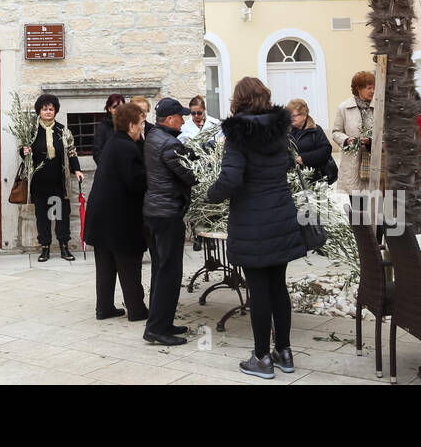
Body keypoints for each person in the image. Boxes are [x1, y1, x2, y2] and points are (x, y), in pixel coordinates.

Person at [207, 77, 305, 379]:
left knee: (259, 291)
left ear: (239, 101)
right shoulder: (279, 130)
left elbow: (231, 179)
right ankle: (284, 352)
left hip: (252, 220)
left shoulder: (238, 135)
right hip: (281, 216)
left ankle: (262, 357)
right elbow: (289, 165)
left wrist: (211, 194)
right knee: (278, 286)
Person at [83, 100, 149, 321]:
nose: (142, 127)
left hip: (101, 216)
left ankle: (104, 308)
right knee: (128, 264)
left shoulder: (114, 142)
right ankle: (137, 310)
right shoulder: (127, 147)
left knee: (105, 266)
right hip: (118, 219)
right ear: (130, 125)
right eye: (140, 123)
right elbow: (136, 183)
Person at [141, 97, 196, 346]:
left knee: (160, 270)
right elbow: (189, 176)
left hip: (153, 212)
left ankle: (162, 322)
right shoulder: (170, 144)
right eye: (181, 117)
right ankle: (156, 330)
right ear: (171, 119)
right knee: (169, 273)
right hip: (167, 213)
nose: (184, 120)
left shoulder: (152, 137)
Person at [27, 94, 83, 263]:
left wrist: (77, 170)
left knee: (60, 215)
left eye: (51, 109)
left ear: (56, 111)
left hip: (58, 183)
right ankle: (45, 248)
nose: (48, 112)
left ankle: (64, 247)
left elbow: (71, 151)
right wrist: (24, 152)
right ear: (39, 111)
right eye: (45, 109)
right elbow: (24, 152)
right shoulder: (32, 131)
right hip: (39, 183)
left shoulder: (63, 131)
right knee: (42, 216)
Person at [332, 71, 375, 192]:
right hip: (352, 162)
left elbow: (385, 133)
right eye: (369, 88)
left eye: (373, 88)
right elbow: (336, 132)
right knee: (357, 205)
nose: (372, 91)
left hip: (374, 163)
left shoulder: (379, 107)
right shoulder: (344, 107)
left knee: (375, 205)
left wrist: (371, 141)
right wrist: (346, 140)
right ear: (358, 89)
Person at [287, 98, 336, 185]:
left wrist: (305, 158)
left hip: (315, 180)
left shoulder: (315, 130)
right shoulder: (285, 132)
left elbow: (326, 150)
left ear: (304, 115)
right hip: (293, 182)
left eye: (294, 115)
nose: (291, 118)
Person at [92, 94, 126, 166]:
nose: (118, 110)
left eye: (121, 107)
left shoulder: (129, 124)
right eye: (115, 107)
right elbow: (97, 153)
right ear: (109, 108)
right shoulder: (103, 127)